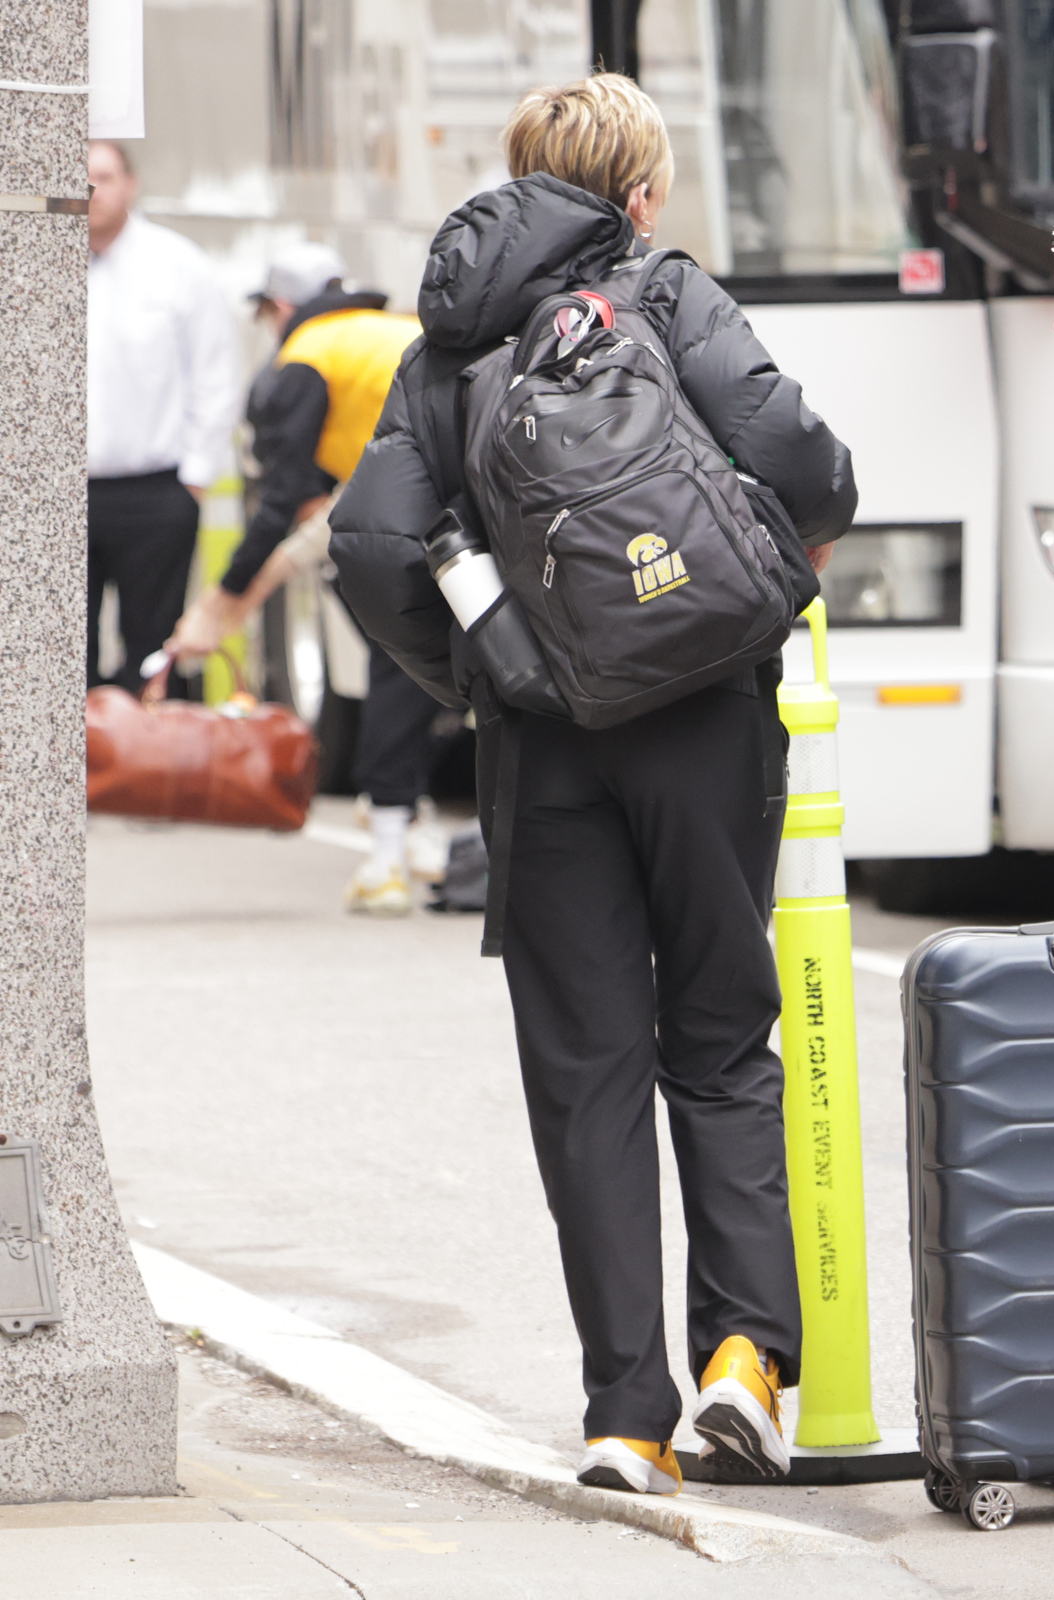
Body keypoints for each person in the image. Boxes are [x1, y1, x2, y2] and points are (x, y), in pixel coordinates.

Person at [331, 74, 854, 1496]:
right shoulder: (667, 296)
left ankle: (626, 1417)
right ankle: (748, 1360)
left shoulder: (449, 341)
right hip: (703, 720)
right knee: (723, 1037)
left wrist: (494, 671)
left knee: (587, 1074)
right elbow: (807, 465)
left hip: (544, 746)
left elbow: (373, 548)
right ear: (639, 192)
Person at [164, 242, 444, 914]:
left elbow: (283, 504)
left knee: (396, 662)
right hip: (468, 501)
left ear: (280, 307)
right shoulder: (388, 332)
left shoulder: (303, 360)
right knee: (431, 667)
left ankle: (387, 851)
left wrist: (220, 602)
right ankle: (411, 825)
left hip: (426, 512)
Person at [84, 138, 241, 695]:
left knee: (151, 647)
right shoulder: (35, 262)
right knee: (59, 647)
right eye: (80, 176)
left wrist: (194, 478)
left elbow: (214, 375)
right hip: (61, 492)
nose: (91, 189)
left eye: (103, 175)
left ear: (130, 183)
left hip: (156, 492)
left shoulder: (176, 266)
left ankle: (148, 774)